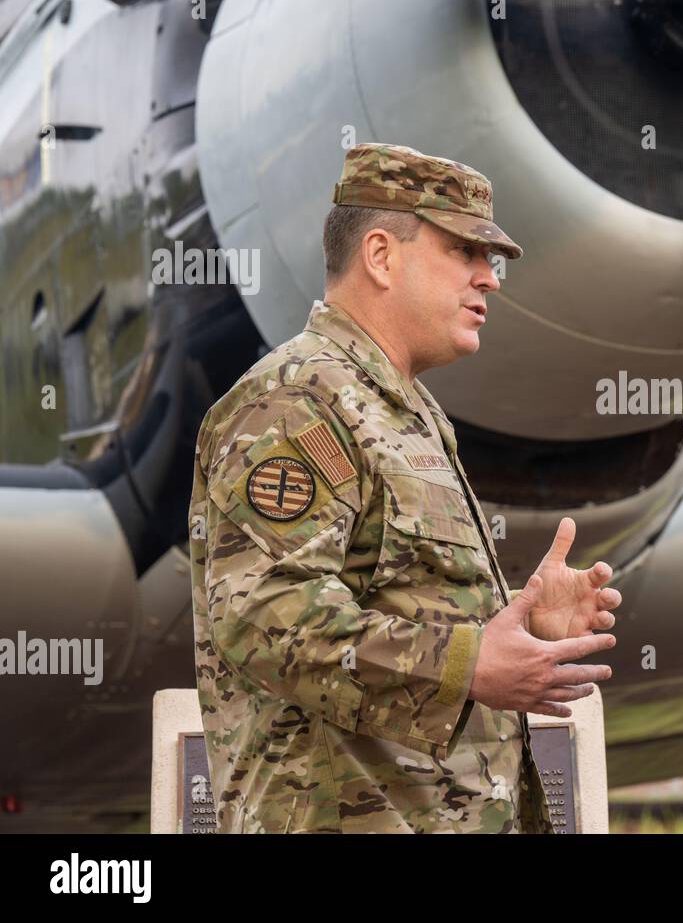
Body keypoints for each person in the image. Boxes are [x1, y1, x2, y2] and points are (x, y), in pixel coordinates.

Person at [187, 142, 620, 833]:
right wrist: (470, 664)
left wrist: (520, 633)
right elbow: (267, 618)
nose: (491, 279)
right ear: (382, 256)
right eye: (465, 252)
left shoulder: (404, 410)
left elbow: (394, 607)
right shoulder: (295, 402)